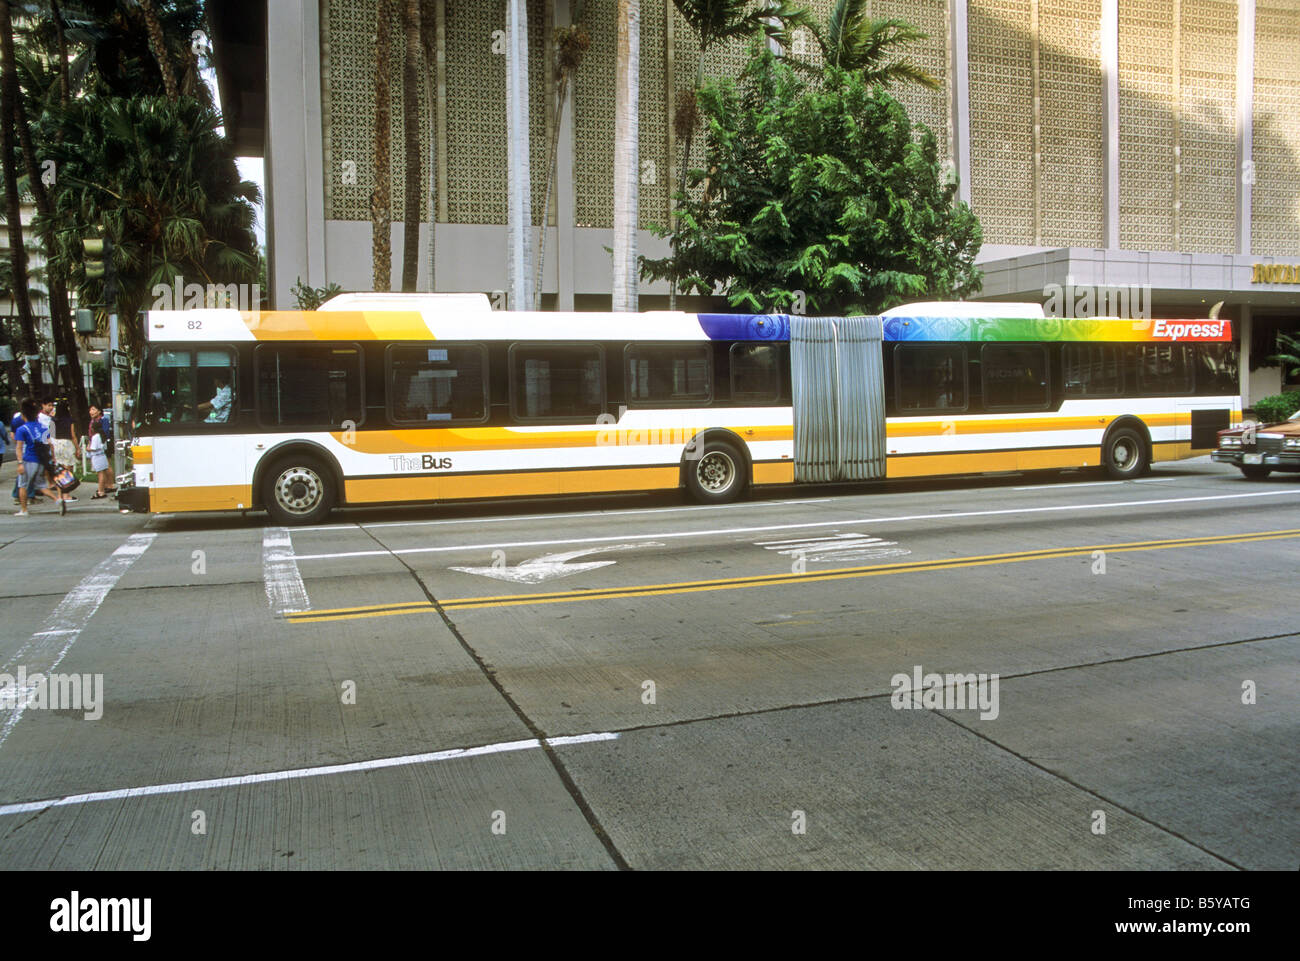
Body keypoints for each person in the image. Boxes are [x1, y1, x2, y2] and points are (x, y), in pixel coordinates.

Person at [13, 399, 64, 515]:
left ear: (23, 415)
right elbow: (50, 444)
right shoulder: (42, 427)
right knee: (41, 485)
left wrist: (20, 463)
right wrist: (53, 458)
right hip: (41, 461)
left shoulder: (22, 429)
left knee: (22, 485)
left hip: (28, 460)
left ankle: (24, 510)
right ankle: (58, 500)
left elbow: (19, 448)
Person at [87, 406, 114, 498]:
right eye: (90, 410)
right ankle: (104, 486)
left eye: (93, 409)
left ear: (99, 411)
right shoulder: (93, 421)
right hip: (100, 446)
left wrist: (89, 447)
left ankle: (109, 485)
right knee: (104, 468)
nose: (91, 411)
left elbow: (105, 433)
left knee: (106, 467)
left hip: (102, 447)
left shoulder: (103, 420)